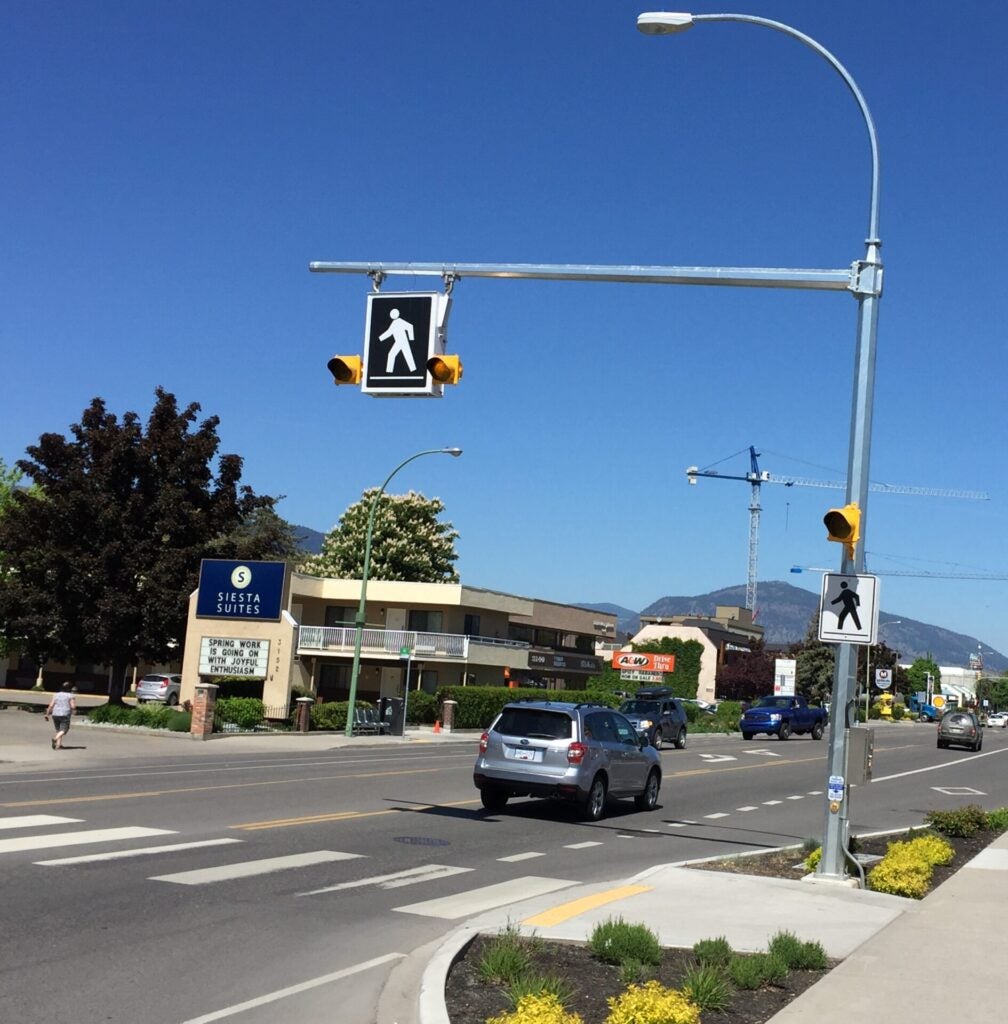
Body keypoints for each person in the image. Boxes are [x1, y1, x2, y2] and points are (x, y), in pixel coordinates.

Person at [45, 682, 76, 750]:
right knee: (64, 730)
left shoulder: (56, 694)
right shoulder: (71, 695)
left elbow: (51, 704)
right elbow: (73, 706)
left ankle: (59, 745)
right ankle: (55, 739)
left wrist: (47, 714)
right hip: (65, 714)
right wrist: (74, 710)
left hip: (55, 714)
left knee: (58, 730)